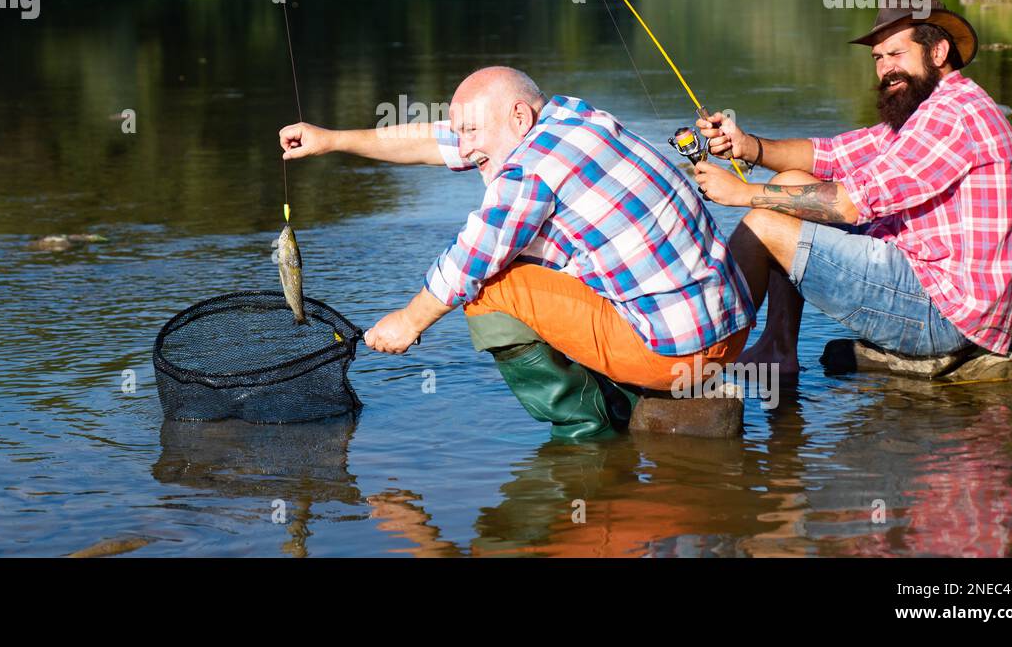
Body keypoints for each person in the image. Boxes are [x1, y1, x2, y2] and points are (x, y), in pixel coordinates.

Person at [279, 66, 755, 439]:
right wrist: (332, 141)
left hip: (678, 354)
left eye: (471, 132)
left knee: (485, 288)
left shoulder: (529, 172)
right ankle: (619, 395)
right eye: (459, 132)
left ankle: (592, 427)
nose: (462, 148)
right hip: (728, 329)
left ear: (519, 118)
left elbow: (467, 261)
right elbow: (437, 140)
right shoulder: (575, 117)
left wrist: (409, 320)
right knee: (528, 260)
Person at [692, 0, 1012, 377]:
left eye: (896, 54)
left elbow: (849, 205)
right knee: (789, 185)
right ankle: (776, 350)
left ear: (938, 52)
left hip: (946, 316)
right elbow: (831, 155)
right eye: (878, 59)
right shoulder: (927, 108)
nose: (885, 69)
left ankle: (699, 361)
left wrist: (740, 193)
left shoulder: (952, 115)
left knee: (764, 225)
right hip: (927, 290)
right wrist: (749, 146)